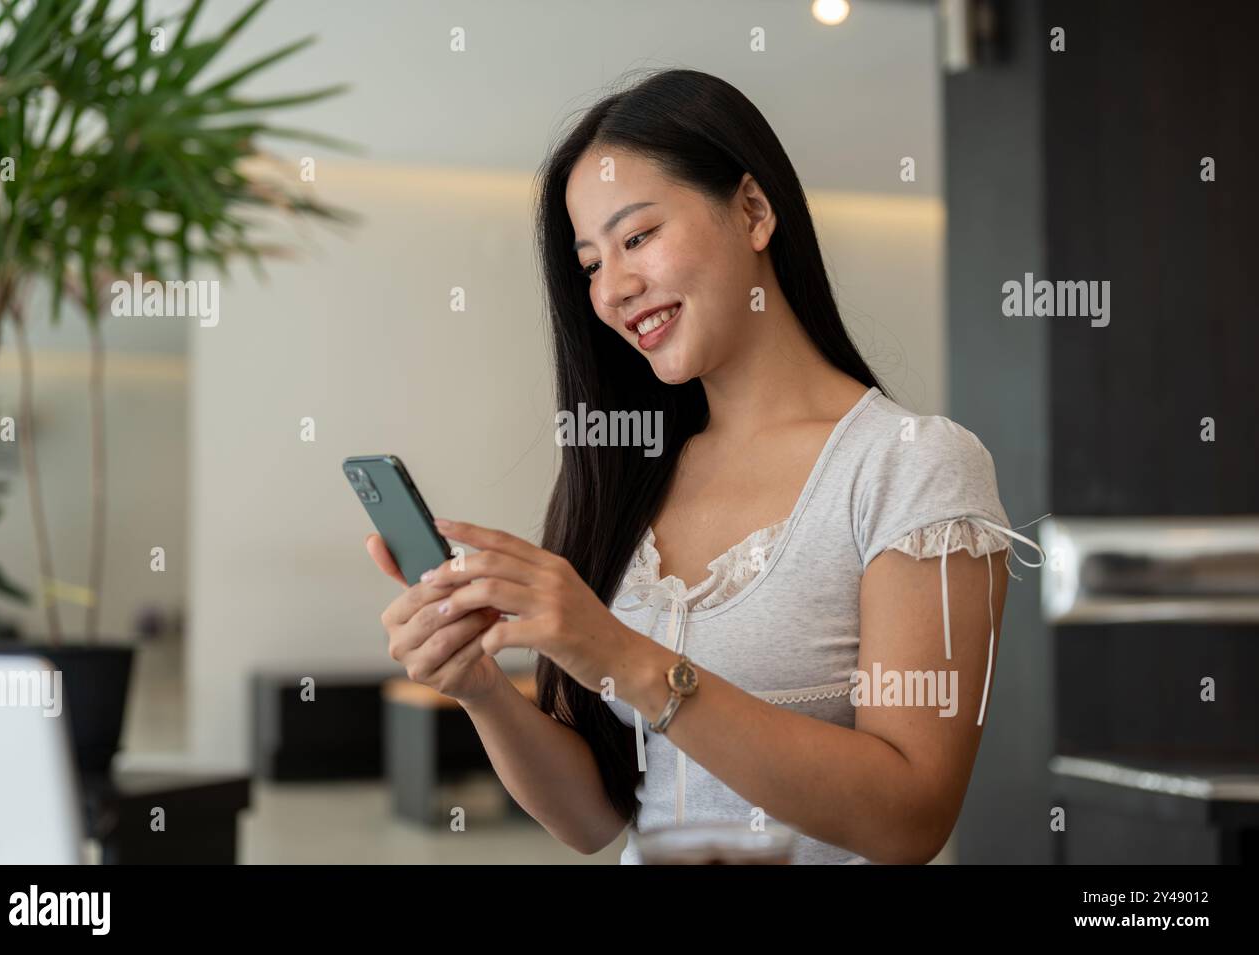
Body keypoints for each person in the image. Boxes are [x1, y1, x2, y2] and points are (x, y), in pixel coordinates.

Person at [368, 68, 1044, 864]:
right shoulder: (628, 476)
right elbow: (594, 820)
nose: (613, 288)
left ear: (754, 211)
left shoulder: (912, 467)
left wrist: (627, 658)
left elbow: (911, 817)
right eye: (589, 263)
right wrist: (480, 688)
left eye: (638, 237)